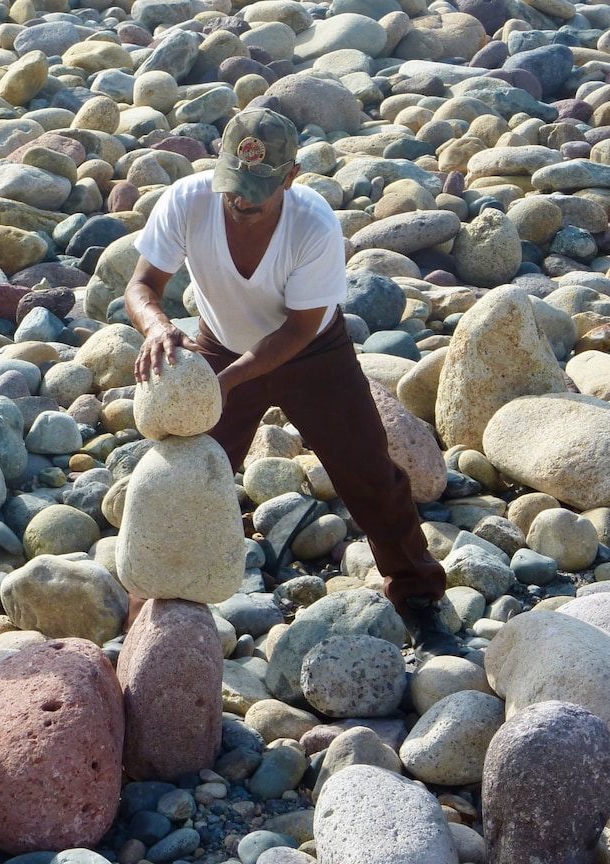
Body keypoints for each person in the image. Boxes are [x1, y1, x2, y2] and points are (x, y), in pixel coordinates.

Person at [124, 106, 462, 662]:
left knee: (370, 474)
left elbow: (301, 326)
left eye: (259, 188)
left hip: (314, 354)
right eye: (235, 184)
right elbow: (143, 284)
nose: (242, 200)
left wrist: (226, 381)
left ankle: (419, 598)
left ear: (290, 175)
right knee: (182, 478)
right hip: (220, 342)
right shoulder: (187, 202)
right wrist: (160, 328)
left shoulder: (313, 223)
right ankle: (147, 615)